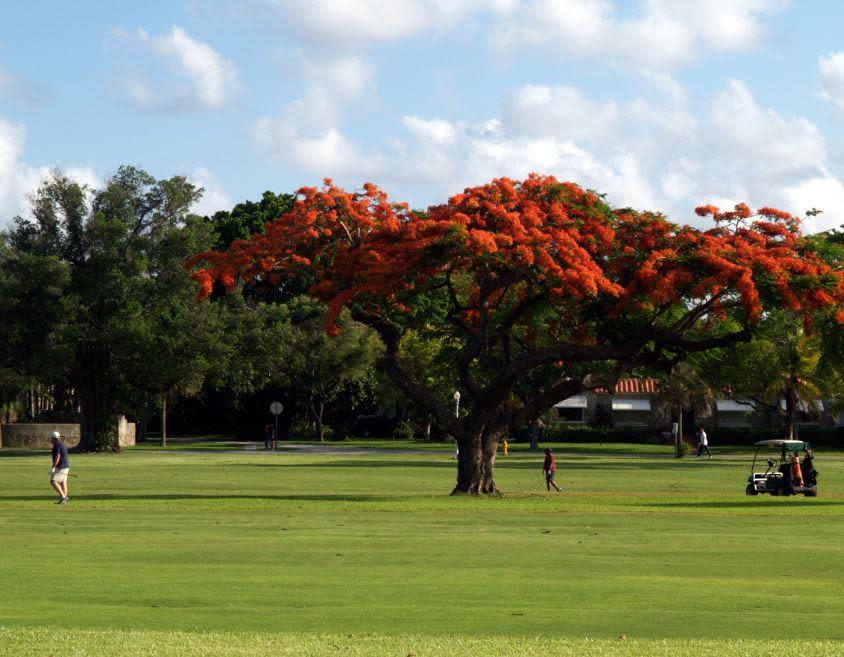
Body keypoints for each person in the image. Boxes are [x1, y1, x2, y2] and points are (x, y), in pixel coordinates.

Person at [49, 431, 70, 504]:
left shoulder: (57, 445)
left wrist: (53, 467)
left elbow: (58, 457)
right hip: (66, 466)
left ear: (53, 438)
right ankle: (65, 498)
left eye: (51, 439)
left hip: (61, 467)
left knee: (53, 481)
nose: (51, 440)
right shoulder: (62, 444)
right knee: (63, 482)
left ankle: (63, 497)